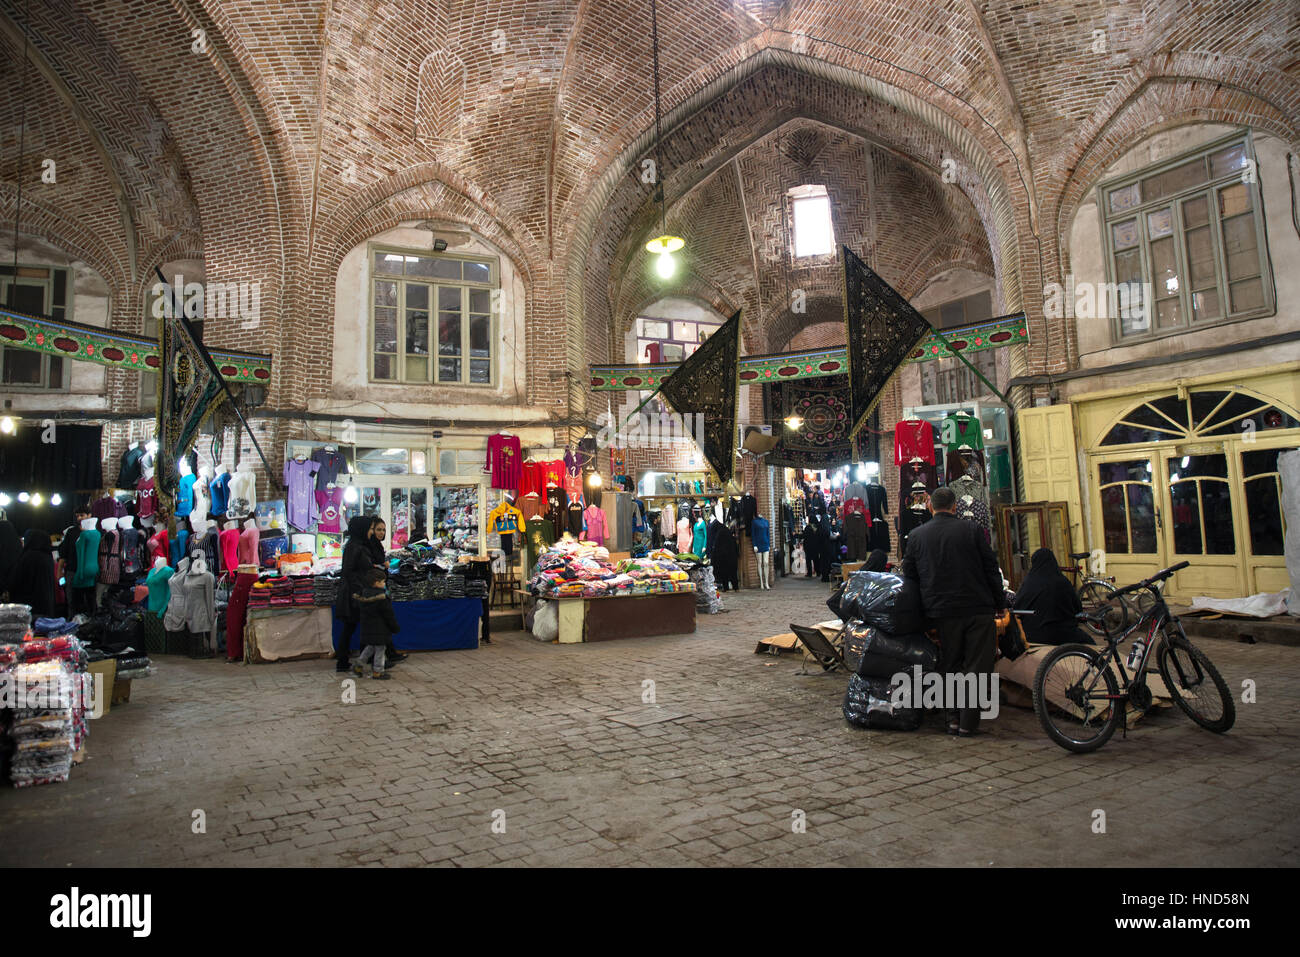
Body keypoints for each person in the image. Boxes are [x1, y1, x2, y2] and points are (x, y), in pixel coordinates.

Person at [900, 486, 1006, 737]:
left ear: (930, 507)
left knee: (950, 664)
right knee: (977, 666)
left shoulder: (916, 536)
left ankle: (952, 720)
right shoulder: (971, 530)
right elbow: (991, 568)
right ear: (955, 507)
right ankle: (969, 722)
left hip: (942, 611)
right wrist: (999, 602)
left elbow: (910, 577)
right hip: (977, 607)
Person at [1013, 548, 1091, 646]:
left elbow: (1018, 607)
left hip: (1033, 635)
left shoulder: (1029, 583)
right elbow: (1078, 608)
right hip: (1063, 635)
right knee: (1092, 646)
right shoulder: (1062, 581)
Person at [334, 515, 378, 672]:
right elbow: (350, 572)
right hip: (355, 594)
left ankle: (347, 661)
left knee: (352, 627)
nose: (372, 532)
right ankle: (365, 661)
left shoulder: (357, 545)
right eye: (371, 529)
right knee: (359, 627)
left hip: (355, 592)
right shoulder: (356, 547)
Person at [365, 518, 407, 665]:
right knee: (380, 623)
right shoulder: (369, 545)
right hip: (375, 586)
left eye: (383, 530)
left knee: (382, 624)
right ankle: (379, 661)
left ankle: (390, 653)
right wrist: (384, 565)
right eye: (378, 529)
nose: (381, 532)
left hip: (380, 584)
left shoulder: (376, 545)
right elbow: (372, 565)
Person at [351, 566, 400, 681]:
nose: (384, 584)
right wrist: (394, 627)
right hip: (380, 628)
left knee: (371, 647)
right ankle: (378, 671)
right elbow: (388, 615)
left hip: (367, 627)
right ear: (376, 583)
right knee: (380, 649)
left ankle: (358, 665)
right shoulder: (382, 598)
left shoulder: (362, 595)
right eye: (383, 581)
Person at [5, 529, 56, 619]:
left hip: (29, 607)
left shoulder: (28, 557)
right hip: (46, 606)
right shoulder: (47, 556)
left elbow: (15, 581)